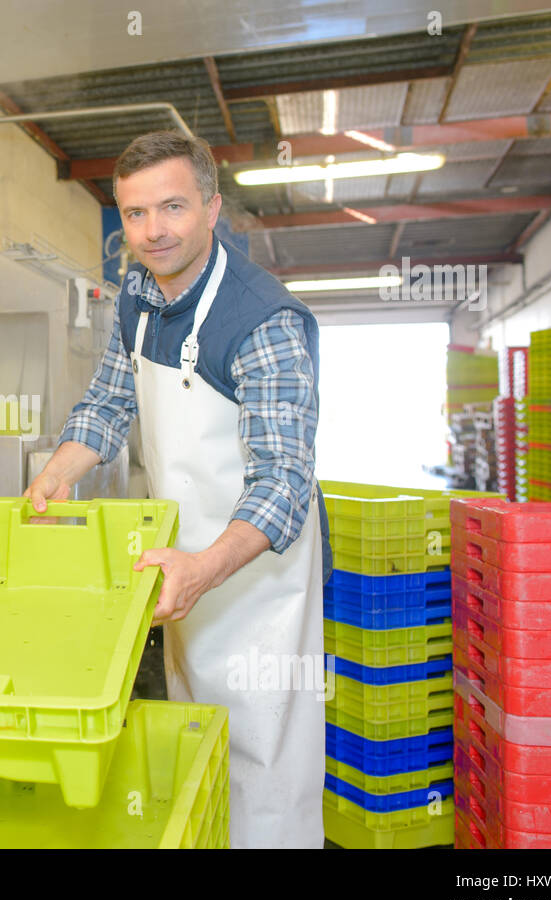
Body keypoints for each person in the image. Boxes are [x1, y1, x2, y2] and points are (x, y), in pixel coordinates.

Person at [25, 130, 332, 849]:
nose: (153, 231)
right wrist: (54, 472)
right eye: (135, 214)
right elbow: (107, 404)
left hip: (258, 587)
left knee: (262, 765)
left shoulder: (265, 320)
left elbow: (283, 483)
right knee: (198, 750)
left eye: (172, 208)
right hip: (183, 575)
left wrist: (202, 568)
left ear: (212, 206)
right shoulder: (137, 295)